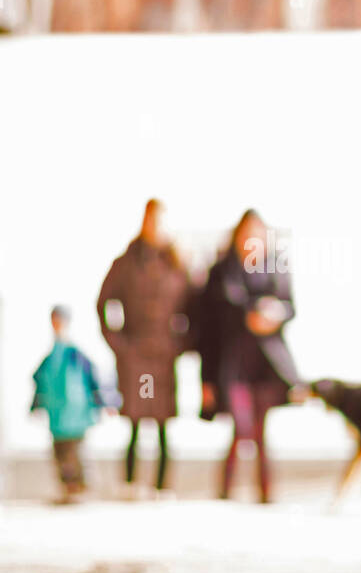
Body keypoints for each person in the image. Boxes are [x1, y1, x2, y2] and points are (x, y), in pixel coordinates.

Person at [195, 209, 299, 503]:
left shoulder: (276, 267)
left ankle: (266, 495)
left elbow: (290, 307)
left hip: (267, 367)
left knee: (261, 433)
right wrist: (206, 381)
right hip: (233, 365)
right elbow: (207, 333)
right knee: (242, 429)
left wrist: (274, 314)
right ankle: (226, 493)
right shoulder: (220, 273)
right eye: (246, 233)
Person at [97, 199, 190, 494]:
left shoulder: (178, 264)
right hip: (138, 360)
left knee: (161, 424)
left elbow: (196, 310)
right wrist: (120, 345)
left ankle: (162, 487)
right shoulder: (127, 263)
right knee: (137, 418)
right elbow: (103, 304)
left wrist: (181, 343)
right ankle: (131, 484)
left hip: (162, 358)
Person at [31, 305, 103, 503]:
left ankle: (81, 487)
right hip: (57, 417)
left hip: (76, 415)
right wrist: (35, 406)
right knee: (61, 454)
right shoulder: (51, 358)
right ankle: (68, 487)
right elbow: (40, 382)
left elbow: (93, 379)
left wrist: (102, 402)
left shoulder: (76, 355)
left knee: (77, 453)